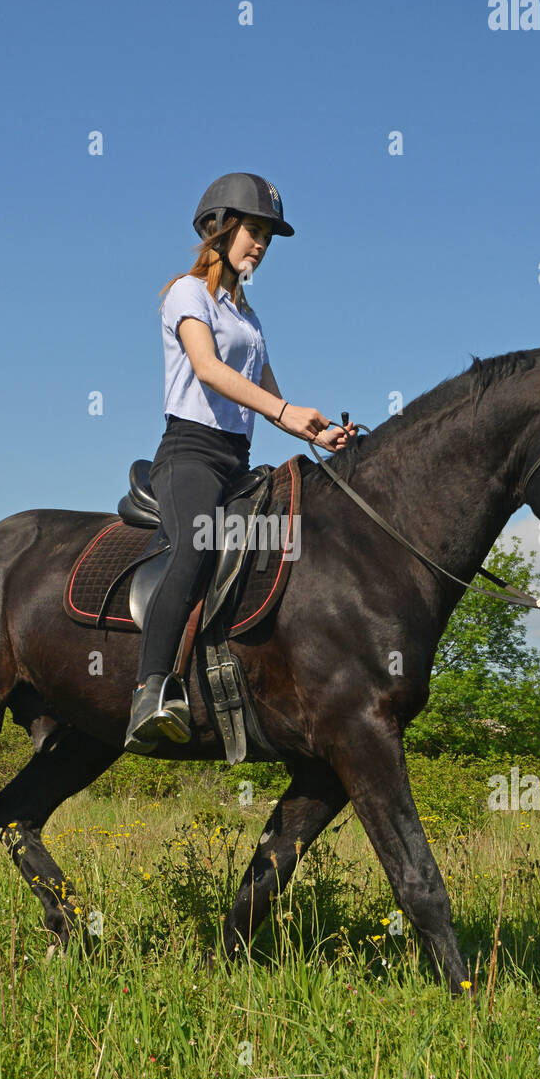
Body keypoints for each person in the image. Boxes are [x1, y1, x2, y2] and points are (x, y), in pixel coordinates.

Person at [124, 172, 355, 754]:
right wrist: (285, 408)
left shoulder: (248, 319)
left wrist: (320, 431)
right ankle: (150, 692)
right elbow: (208, 370)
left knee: (286, 542)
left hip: (238, 457)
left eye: (267, 238)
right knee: (197, 546)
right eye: (253, 231)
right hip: (190, 454)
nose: (260, 245)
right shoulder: (187, 293)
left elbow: (267, 391)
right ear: (218, 227)